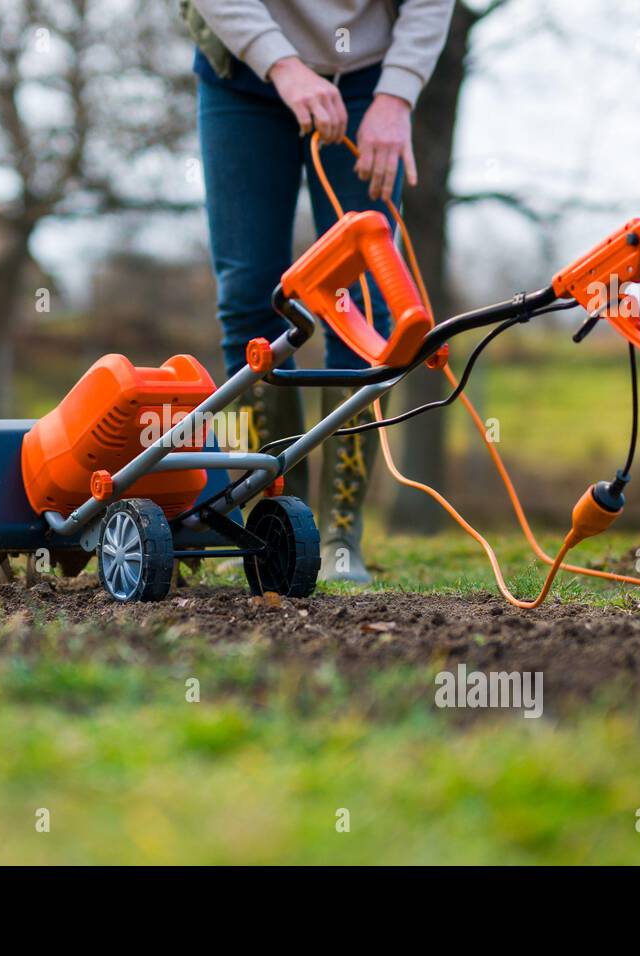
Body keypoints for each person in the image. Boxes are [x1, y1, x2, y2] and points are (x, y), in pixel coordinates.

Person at [183, 0, 455, 583]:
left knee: (367, 302)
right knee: (249, 297)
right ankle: (276, 518)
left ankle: (338, 538)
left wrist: (397, 95)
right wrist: (280, 62)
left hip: (367, 82)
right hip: (243, 75)